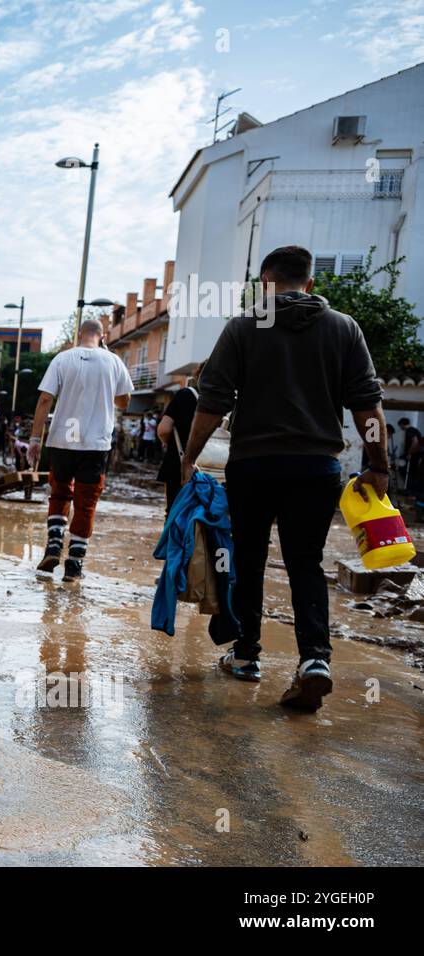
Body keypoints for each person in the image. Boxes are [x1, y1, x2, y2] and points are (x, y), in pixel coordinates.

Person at [179, 245, 386, 712]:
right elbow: (367, 406)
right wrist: (380, 465)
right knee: (305, 563)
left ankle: (248, 654)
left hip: (253, 465)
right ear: (310, 284)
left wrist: (190, 457)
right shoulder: (344, 328)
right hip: (316, 468)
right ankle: (314, 660)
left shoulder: (244, 327)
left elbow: (212, 402)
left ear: (264, 284)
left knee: (249, 559)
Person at [27, 318, 133, 581]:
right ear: (103, 335)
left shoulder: (63, 359)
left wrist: (34, 439)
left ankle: (53, 545)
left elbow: (44, 399)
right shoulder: (114, 362)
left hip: (63, 439)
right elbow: (124, 402)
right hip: (95, 444)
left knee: (60, 494)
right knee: (86, 503)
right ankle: (74, 566)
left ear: (79, 334)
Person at [156, 366, 202, 512]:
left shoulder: (185, 395)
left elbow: (164, 430)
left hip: (180, 464)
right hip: (217, 468)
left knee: (175, 513)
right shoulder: (231, 399)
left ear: (197, 376)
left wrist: (171, 445)